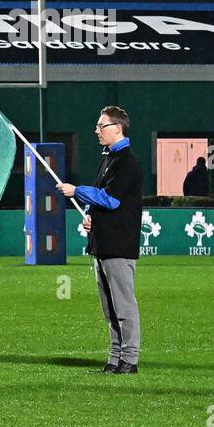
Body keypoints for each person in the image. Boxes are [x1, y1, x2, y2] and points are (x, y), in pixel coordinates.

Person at [57, 105, 144, 374]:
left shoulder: (127, 162)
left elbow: (110, 198)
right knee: (110, 308)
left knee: (123, 305)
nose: (96, 131)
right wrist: (92, 218)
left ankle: (129, 359)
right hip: (103, 244)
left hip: (119, 246)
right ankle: (115, 357)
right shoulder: (109, 159)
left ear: (117, 128)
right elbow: (105, 202)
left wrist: (76, 190)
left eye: (101, 126)